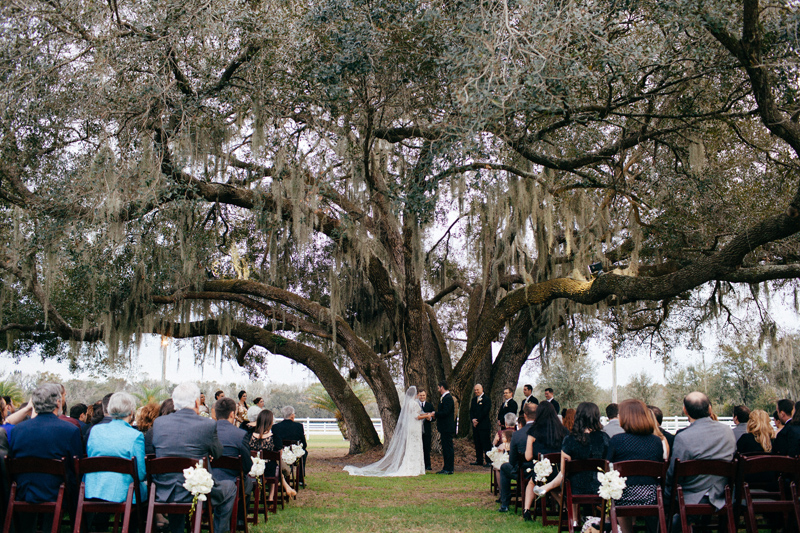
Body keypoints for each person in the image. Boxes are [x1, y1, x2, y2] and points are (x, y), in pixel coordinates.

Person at [152, 382, 236, 533]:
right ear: (197, 402)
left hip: (165, 491)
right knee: (230, 488)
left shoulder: (159, 423)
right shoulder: (207, 424)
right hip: (197, 493)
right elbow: (217, 453)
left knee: (177, 481)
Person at [7, 383, 83, 531]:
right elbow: (76, 468)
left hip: (24, 492)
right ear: (57, 402)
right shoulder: (70, 430)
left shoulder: (18, 430)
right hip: (57, 493)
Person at [665, 392, 736, 531]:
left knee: (665, 492)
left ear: (685, 410)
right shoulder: (727, 431)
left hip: (691, 495)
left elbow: (674, 475)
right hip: (722, 493)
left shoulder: (683, 437)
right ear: (710, 409)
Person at [533, 401, 610, 524]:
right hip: (599, 487)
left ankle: (574, 520)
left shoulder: (570, 440)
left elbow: (563, 472)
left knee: (567, 477)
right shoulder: (605, 438)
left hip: (575, 489)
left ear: (578, 417)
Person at [84, 391, 148, 524]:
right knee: (146, 489)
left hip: (93, 488)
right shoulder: (135, 436)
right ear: (131, 411)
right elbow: (141, 474)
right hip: (123, 493)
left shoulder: (95, 431)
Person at [344, 386, 431, 477]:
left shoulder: (409, 403)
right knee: (415, 446)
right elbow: (416, 416)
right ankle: (414, 467)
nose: (419, 395)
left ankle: (413, 466)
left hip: (412, 428)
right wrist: (427, 415)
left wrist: (427, 414)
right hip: (414, 428)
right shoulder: (414, 403)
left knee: (411, 446)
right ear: (415, 394)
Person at [607, 399, 665, 533]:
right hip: (650, 496)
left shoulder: (616, 440)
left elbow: (607, 468)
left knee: (617, 491)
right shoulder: (656, 441)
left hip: (623, 496)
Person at [522, 401, 568, 521]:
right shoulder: (563, 431)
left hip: (544, 471)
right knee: (551, 483)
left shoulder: (533, 430)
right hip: (560, 471)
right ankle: (564, 508)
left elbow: (527, 456)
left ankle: (526, 510)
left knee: (532, 482)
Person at [213, 398, 254, 504]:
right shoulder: (240, 435)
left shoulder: (206, 432)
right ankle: (240, 517)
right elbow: (247, 466)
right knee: (248, 482)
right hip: (234, 481)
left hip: (209, 480)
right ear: (232, 414)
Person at [250, 409, 298, 496]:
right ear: (271, 422)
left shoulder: (250, 436)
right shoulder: (275, 437)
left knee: (273, 465)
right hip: (269, 470)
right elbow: (279, 455)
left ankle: (285, 487)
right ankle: (271, 497)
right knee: (275, 466)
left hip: (253, 467)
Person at [498, 402, 535, 513]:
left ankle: (505, 503)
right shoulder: (544, 432)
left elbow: (512, 460)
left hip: (523, 471)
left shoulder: (517, 434)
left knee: (504, 467)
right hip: (540, 471)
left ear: (525, 415)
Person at [434, 381, 456, 475]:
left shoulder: (448, 398)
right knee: (445, 447)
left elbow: (445, 412)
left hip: (447, 427)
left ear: (442, 387)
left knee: (448, 447)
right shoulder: (444, 398)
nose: (438, 390)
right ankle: (446, 467)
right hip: (444, 427)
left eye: (439, 388)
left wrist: (435, 414)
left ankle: (449, 468)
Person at [469, 384, 492, 466]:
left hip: (484, 425)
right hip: (475, 426)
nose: (476, 391)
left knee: (485, 443)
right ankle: (479, 460)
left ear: (482, 389)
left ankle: (489, 461)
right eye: (475, 390)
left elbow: (485, 412)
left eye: (477, 390)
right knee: (477, 443)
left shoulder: (487, 400)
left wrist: (478, 420)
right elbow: (471, 411)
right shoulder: (474, 400)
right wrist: (473, 419)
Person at [419, 390, 435, 471]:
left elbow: (434, 417)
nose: (422, 397)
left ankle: (427, 465)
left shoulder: (429, 405)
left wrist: (430, 418)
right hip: (417, 430)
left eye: (423, 395)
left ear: (426, 396)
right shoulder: (416, 405)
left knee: (427, 447)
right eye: (421, 395)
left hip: (427, 429)